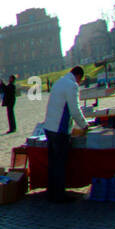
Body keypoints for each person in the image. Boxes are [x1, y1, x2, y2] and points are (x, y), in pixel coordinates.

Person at [42, 65, 88, 203]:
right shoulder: (71, 85)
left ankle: (51, 192)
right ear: (79, 76)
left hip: (49, 127)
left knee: (52, 163)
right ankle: (59, 195)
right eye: (80, 80)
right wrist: (84, 125)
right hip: (59, 130)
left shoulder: (59, 82)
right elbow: (74, 110)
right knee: (60, 163)